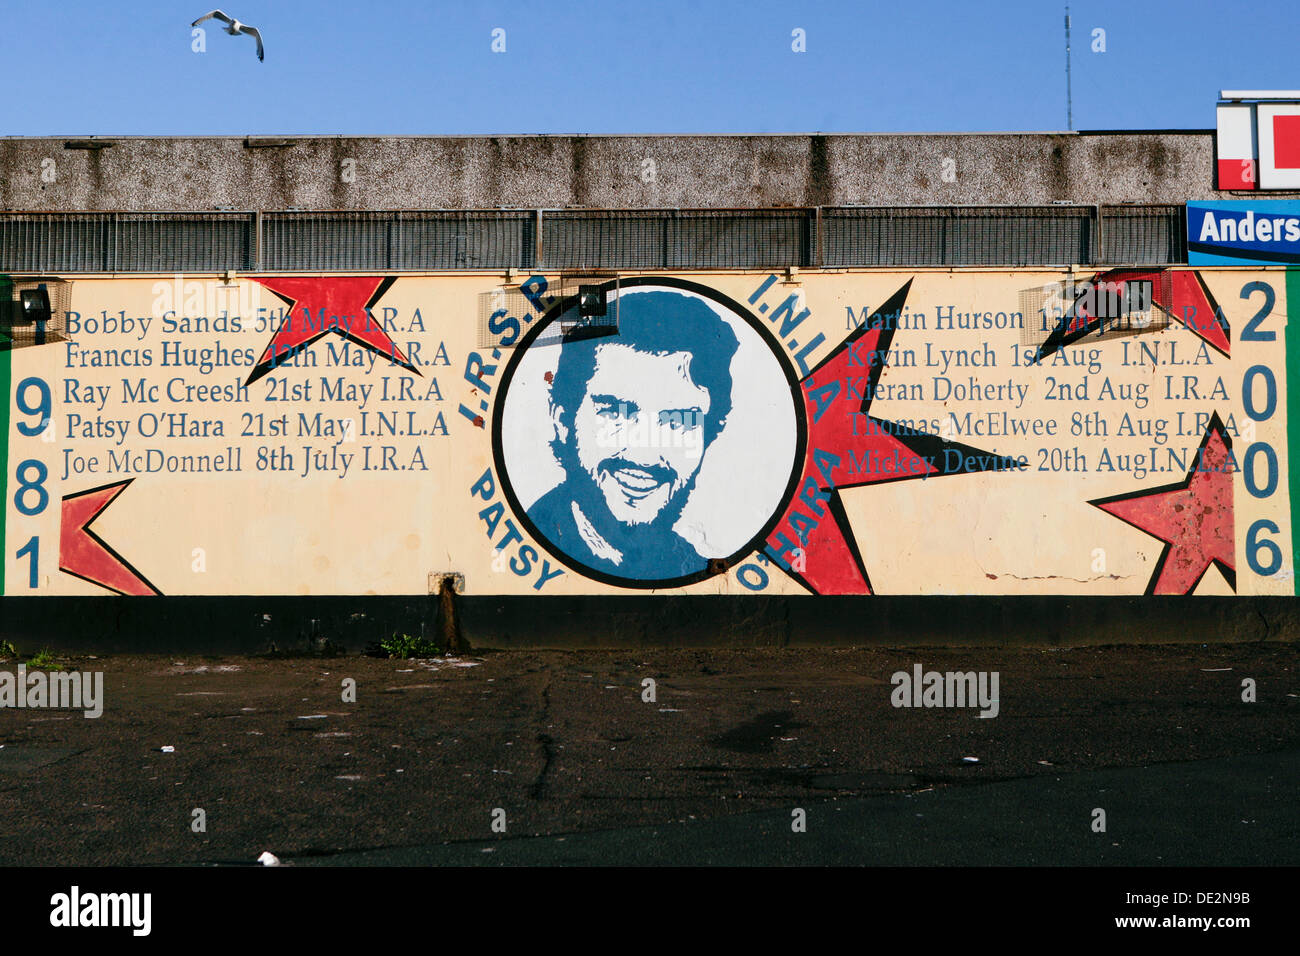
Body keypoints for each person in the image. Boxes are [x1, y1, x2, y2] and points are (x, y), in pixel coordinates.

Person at [527, 290, 739, 579]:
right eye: (615, 413)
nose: (644, 455)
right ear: (563, 421)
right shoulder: (534, 538)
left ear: (707, 437)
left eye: (677, 420)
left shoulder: (690, 564)